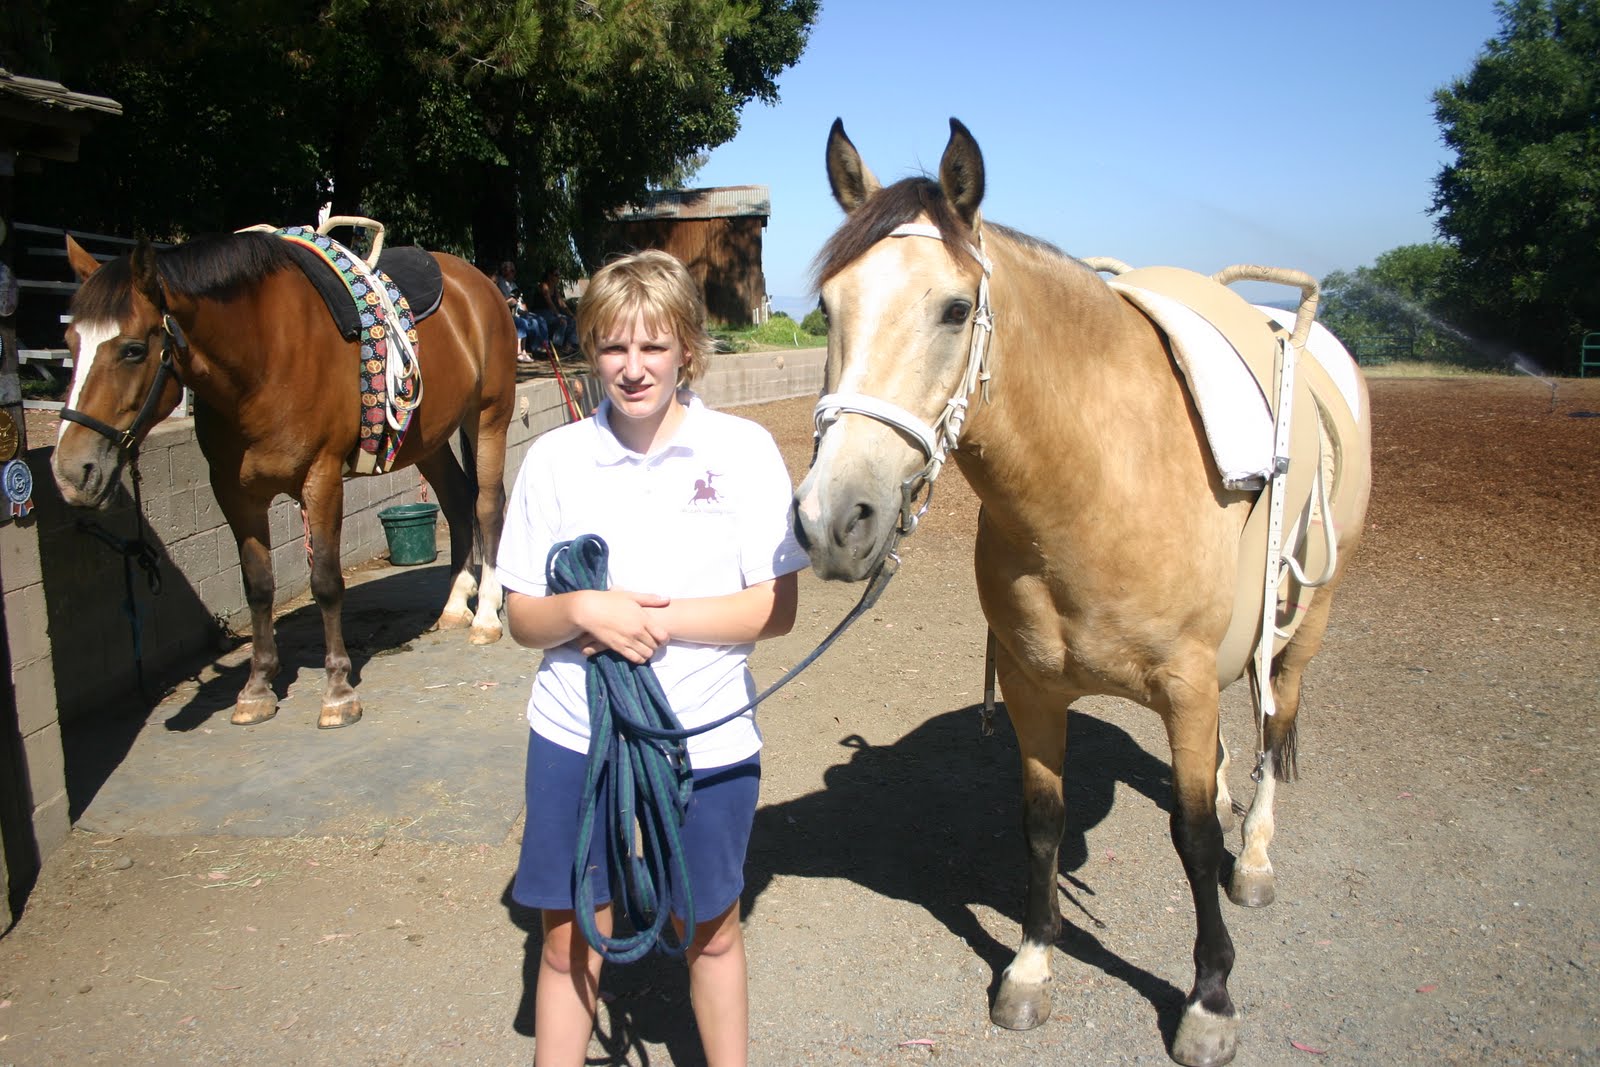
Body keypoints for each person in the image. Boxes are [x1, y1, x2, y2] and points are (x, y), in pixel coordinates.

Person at [497, 249, 807, 1067]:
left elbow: (776, 608)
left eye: (653, 347)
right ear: (591, 349)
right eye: (612, 348)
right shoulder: (555, 461)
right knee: (566, 940)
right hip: (576, 735)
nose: (632, 370)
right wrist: (580, 609)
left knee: (707, 930)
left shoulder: (740, 451)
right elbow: (523, 616)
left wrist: (652, 624)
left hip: (705, 736)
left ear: (687, 352)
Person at [495, 259, 546, 360]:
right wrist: (511, 301)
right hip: (510, 313)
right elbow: (503, 301)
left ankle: (542, 347)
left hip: (520, 311)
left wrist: (525, 309)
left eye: (514, 271)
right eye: (512, 271)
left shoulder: (513, 284)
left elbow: (521, 301)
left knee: (540, 320)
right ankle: (523, 351)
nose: (514, 273)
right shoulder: (501, 283)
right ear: (505, 271)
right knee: (526, 323)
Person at [533, 267, 579, 354]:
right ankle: (556, 347)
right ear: (549, 276)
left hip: (551, 313)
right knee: (562, 322)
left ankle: (570, 345)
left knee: (573, 321)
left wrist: (572, 315)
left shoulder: (555, 288)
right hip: (541, 313)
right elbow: (550, 304)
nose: (558, 278)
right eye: (556, 275)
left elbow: (561, 303)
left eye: (559, 275)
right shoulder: (544, 286)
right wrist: (559, 316)